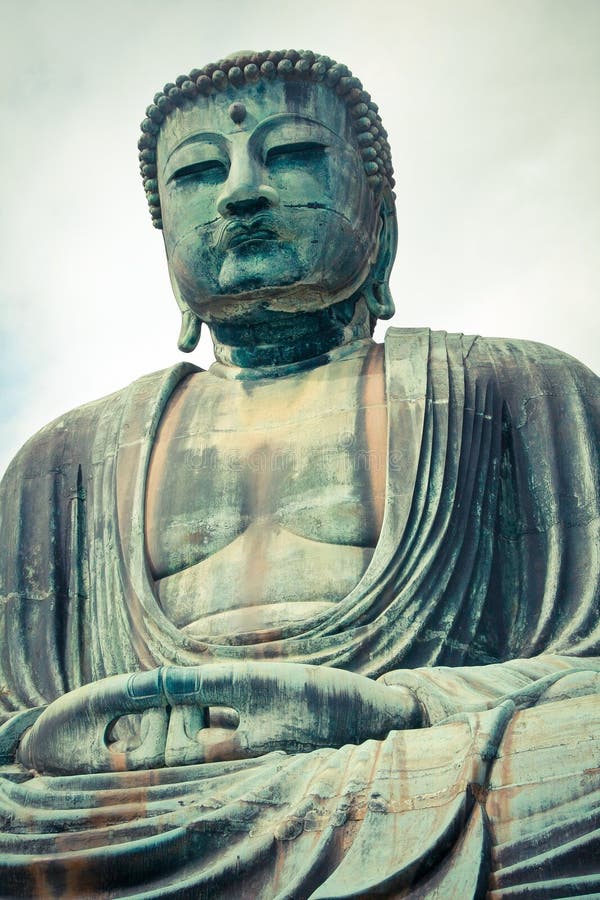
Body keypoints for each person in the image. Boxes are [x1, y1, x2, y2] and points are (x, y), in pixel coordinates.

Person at [0, 50, 598, 899]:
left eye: (290, 155)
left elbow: (588, 663)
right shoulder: (64, 462)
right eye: (200, 173)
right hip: (114, 804)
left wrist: (390, 710)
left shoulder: (514, 390)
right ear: (165, 232)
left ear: (379, 214)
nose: (242, 192)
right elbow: (7, 721)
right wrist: (81, 733)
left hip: (407, 772)